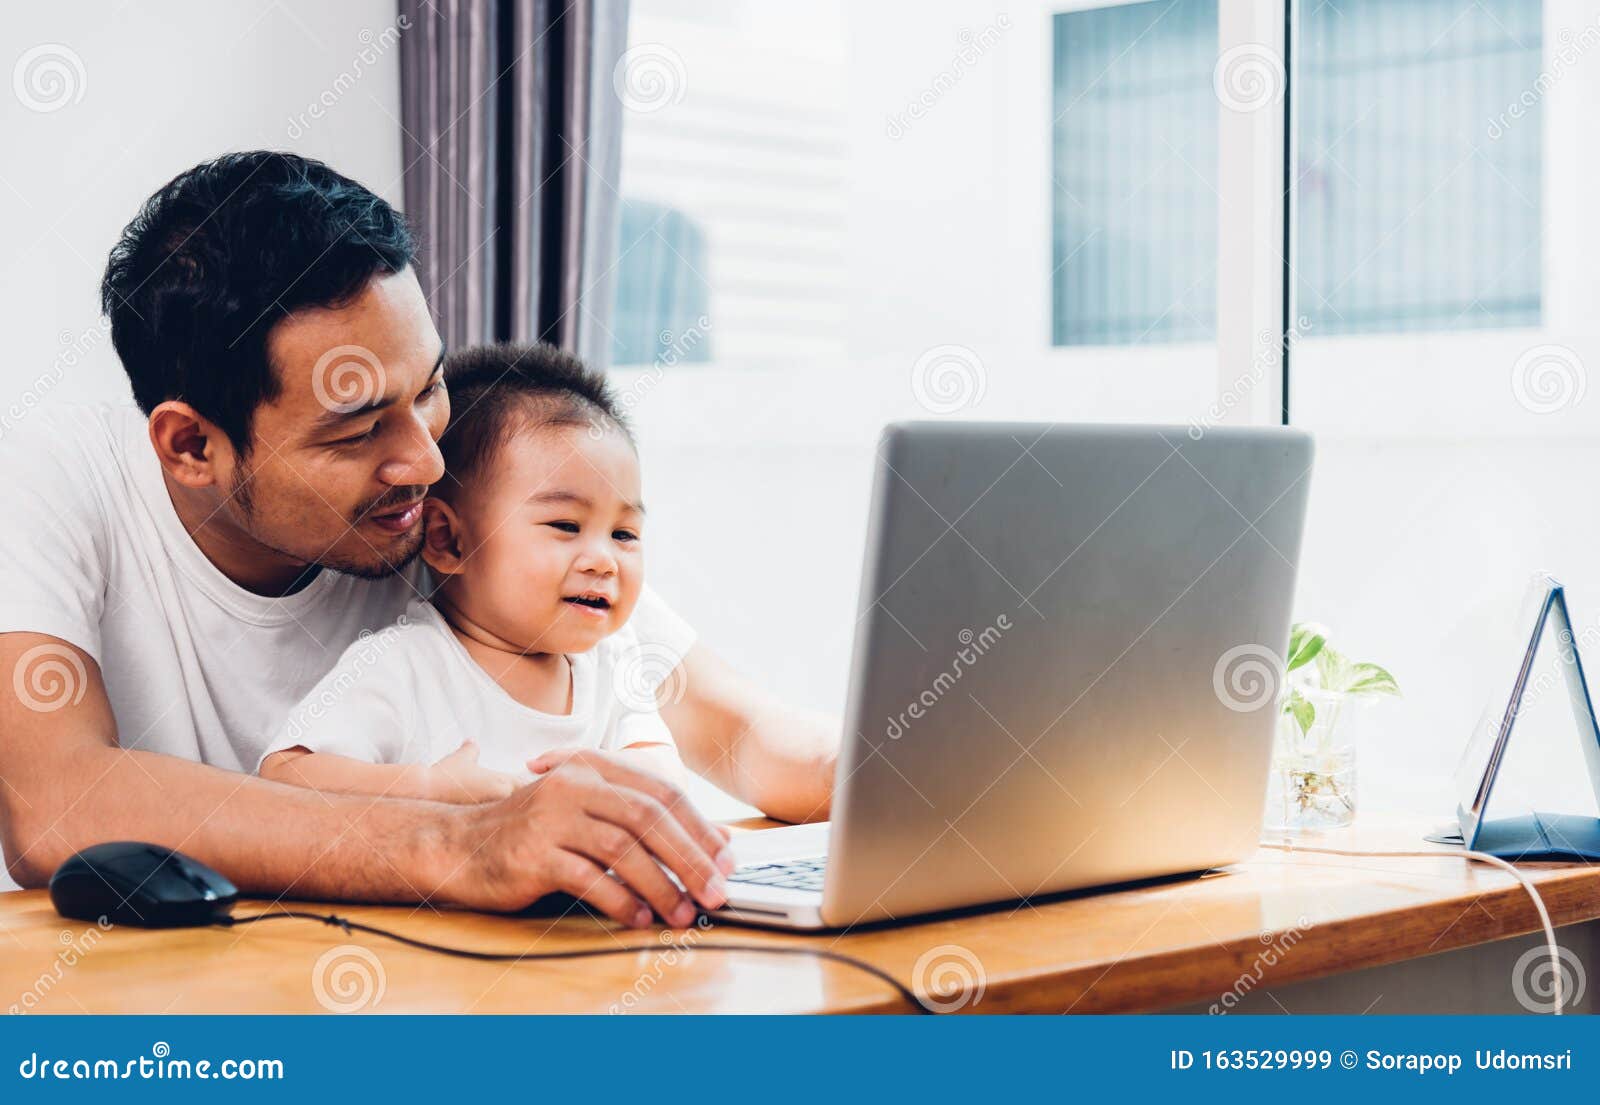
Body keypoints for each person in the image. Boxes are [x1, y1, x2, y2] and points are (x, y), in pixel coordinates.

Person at [0, 151, 837, 929]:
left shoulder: (451, 500)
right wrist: (461, 843)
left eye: (428, 386)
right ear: (192, 447)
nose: (426, 458)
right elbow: (57, 804)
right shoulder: (48, 479)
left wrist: (936, 769)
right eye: (357, 430)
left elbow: (745, 735)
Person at [259, 342, 685, 806]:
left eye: (624, 534)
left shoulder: (613, 660)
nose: (603, 560)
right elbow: (285, 775)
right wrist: (426, 788)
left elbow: (665, 772)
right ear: (448, 540)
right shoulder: (405, 666)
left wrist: (626, 777)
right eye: (566, 526)